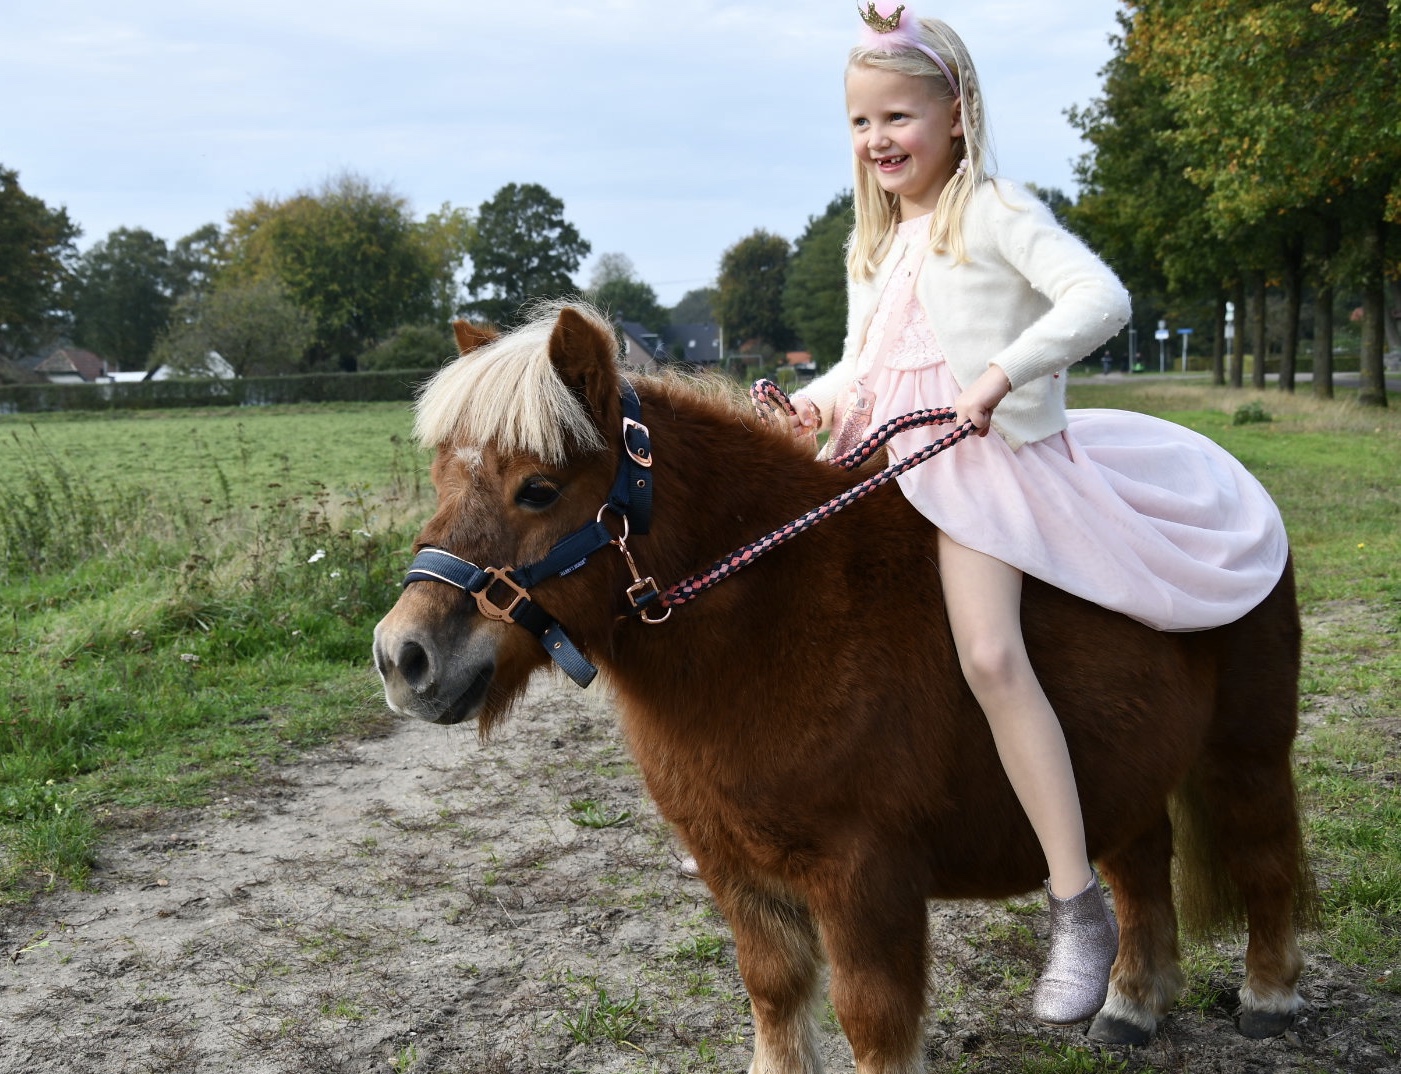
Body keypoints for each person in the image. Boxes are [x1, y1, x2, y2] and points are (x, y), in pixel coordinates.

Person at [782, 3, 1290, 1026]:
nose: (878, 140)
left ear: (957, 115)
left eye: (898, 117)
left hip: (984, 469)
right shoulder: (871, 245)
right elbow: (866, 365)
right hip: (892, 465)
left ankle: (1076, 903)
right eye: (859, 123)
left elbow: (1100, 300)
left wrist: (1002, 374)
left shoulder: (996, 213)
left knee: (990, 656)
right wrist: (817, 400)